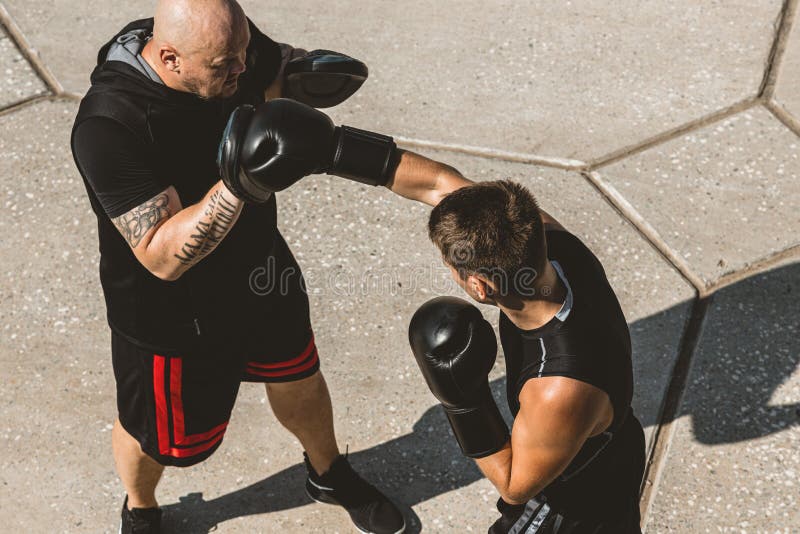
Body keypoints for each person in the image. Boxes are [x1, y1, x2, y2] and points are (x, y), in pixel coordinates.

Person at [69, 1, 464, 532]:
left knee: (299, 375)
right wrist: (241, 186)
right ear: (170, 57)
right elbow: (161, 256)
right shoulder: (111, 124)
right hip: (171, 315)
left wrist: (303, 77)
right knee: (157, 435)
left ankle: (328, 472)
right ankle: (141, 507)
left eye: (243, 55)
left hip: (260, 269)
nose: (240, 72)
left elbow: (274, 72)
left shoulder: (231, 47)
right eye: (223, 67)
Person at [408, 181, 647, 533]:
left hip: (574, 504)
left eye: (450, 267)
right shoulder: (558, 248)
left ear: (479, 287)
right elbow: (440, 184)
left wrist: (462, 401)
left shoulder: (557, 388)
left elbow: (515, 484)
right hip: (612, 452)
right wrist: (341, 152)